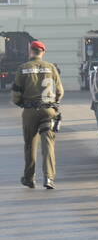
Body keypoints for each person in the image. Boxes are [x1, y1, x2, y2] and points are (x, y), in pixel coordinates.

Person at [12, 39, 62, 189]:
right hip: (48, 110)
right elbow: (60, 91)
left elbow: (16, 94)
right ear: (43, 52)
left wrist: (22, 104)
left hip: (30, 111)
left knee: (30, 145)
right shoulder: (51, 67)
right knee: (48, 144)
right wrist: (54, 103)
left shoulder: (23, 68)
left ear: (30, 51)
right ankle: (49, 178)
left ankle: (29, 178)